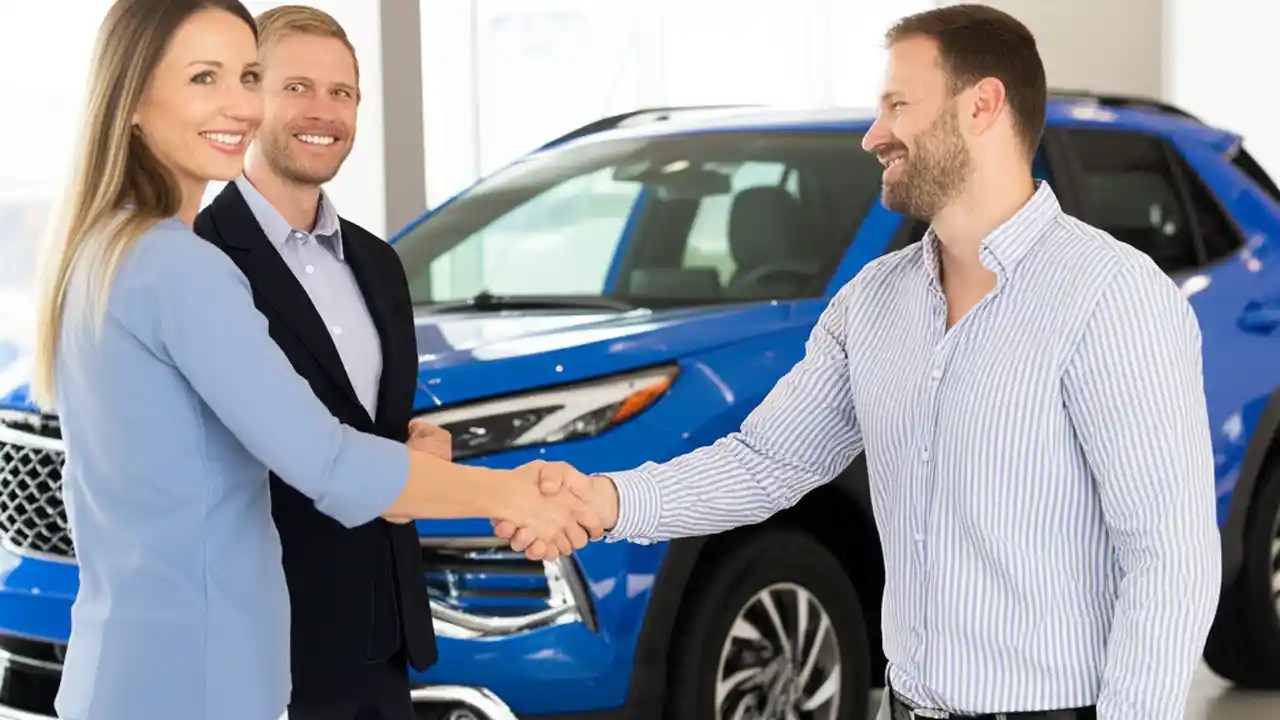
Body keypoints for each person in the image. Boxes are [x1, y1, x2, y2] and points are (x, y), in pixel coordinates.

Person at [497, 4, 1222, 719]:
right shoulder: (874, 300)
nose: (876, 134)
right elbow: (766, 461)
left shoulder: (1112, 296)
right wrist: (608, 502)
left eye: (898, 105)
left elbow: (1169, 559)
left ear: (982, 106)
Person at [29, 2, 601, 719]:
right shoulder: (180, 267)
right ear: (133, 98)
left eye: (246, 76)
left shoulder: (101, 251)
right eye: (204, 78)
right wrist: (508, 497)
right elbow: (323, 460)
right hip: (198, 674)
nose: (237, 104)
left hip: (129, 665)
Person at [192, 6, 435, 718]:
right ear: (249, 97)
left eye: (343, 93)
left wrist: (425, 440)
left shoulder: (379, 262)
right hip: (268, 641)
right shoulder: (199, 262)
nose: (323, 112)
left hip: (380, 634)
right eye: (297, 87)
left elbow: (379, 413)